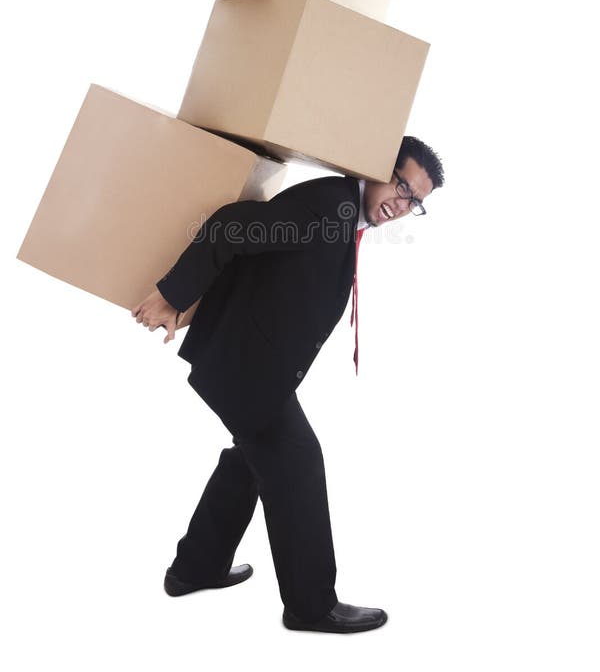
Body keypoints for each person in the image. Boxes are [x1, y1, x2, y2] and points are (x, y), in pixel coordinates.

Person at [131, 135, 444, 633]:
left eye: (416, 202)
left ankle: (196, 567)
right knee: (295, 462)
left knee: (254, 459)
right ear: (380, 166)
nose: (401, 205)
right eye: (401, 186)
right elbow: (231, 226)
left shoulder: (346, 213)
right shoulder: (331, 205)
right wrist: (173, 295)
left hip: (255, 366)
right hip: (242, 363)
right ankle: (310, 604)